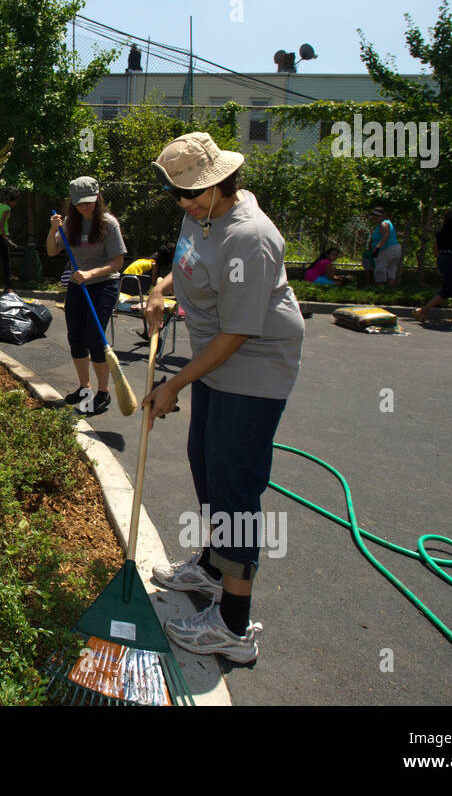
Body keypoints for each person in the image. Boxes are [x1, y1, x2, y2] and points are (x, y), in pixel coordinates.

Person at [141, 132, 305, 664]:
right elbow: (188, 261)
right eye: (175, 194)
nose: (182, 203)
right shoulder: (199, 214)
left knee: (235, 489)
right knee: (205, 463)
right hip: (213, 357)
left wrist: (173, 384)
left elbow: (239, 333)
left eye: (187, 194)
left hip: (252, 367)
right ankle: (213, 568)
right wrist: (162, 288)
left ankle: (234, 627)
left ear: (216, 185)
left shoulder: (250, 237)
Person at [46, 176, 127, 415]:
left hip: (103, 285)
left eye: (89, 202)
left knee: (95, 337)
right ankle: (85, 388)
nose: (85, 206)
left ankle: (104, 392)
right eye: (80, 203)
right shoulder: (69, 223)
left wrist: (90, 273)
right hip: (77, 286)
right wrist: (53, 230)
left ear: (98, 198)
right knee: (76, 338)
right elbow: (52, 251)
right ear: (72, 202)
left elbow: (118, 262)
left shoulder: (108, 223)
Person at [414, 205, 452, 326]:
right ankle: (422, 311)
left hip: (443, 258)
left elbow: (435, 248)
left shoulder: (442, 230)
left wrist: (441, 261)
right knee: (448, 290)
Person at [366, 208, 402, 287]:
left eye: (377, 216)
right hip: (394, 248)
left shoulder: (384, 224)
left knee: (380, 269)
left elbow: (386, 235)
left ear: (382, 216)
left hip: (386, 249)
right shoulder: (388, 223)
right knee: (391, 271)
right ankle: (390, 289)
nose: (375, 217)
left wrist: (377, 247)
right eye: (374, 215)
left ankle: (379, 289)